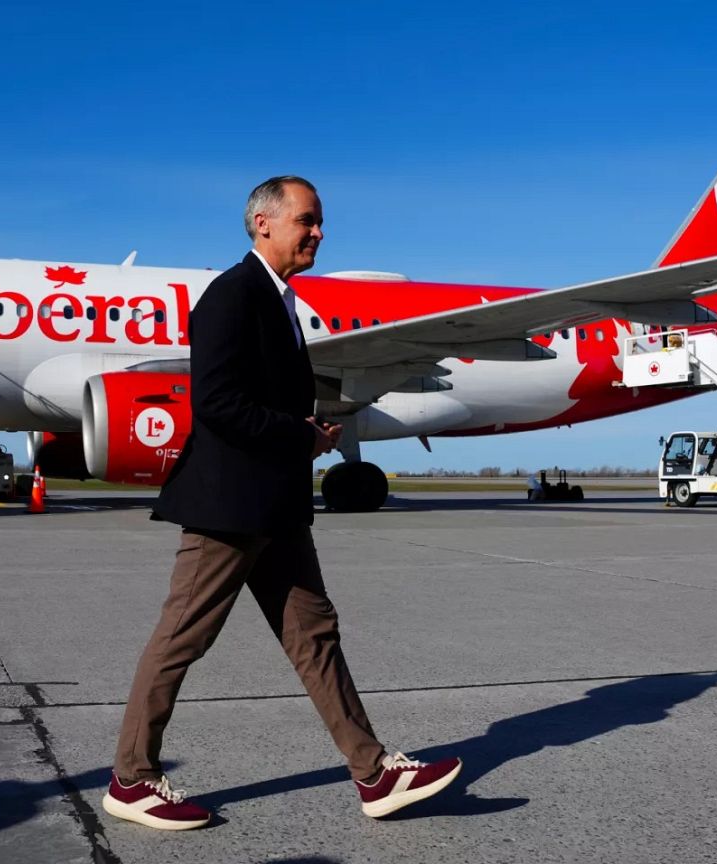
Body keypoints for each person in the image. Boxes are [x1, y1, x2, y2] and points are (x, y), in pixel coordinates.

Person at [103, 177, 460, 832]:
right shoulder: (231, 297)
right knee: (184, 636)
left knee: (315, 635)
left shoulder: (280, 302)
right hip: (231, 507)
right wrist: (299, 434)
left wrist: (309, 434)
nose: (319, 232)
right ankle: (131, 779)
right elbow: (216, 405)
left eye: (320, 222)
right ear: (263, 223)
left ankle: (374, 773)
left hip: (276, 505)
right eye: (308, 220)